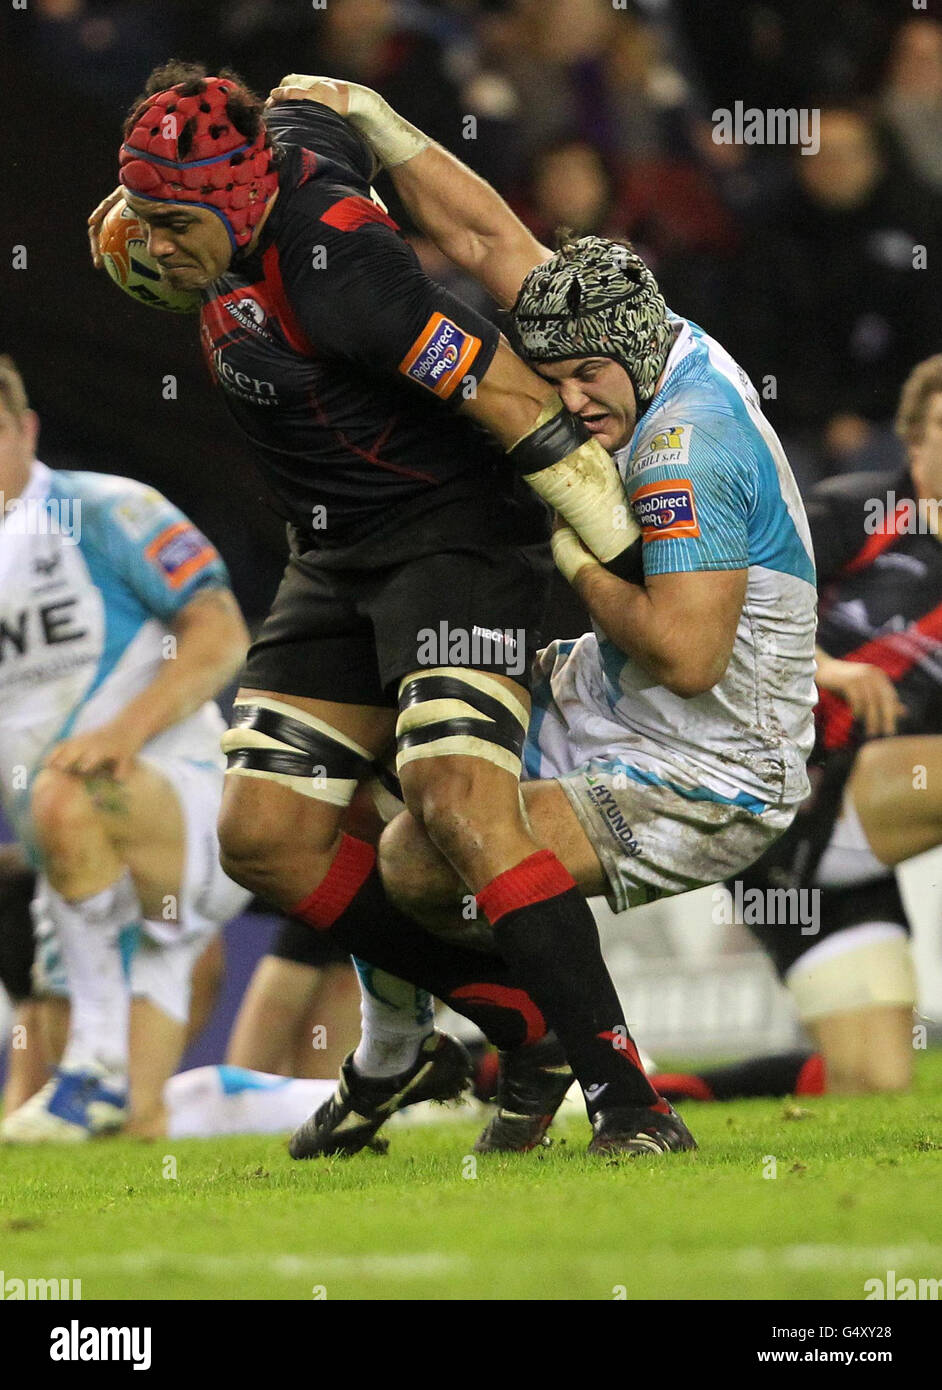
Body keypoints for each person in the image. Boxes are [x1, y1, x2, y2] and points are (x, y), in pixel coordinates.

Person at [87, 62, 670, 1157]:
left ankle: (630, 1098)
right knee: (260, 835)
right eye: (141, 215)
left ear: (237, 198)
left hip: (452, 539)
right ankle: (514, 1016)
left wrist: (634, 560)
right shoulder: (270, 147)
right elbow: (323, 95)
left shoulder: (346, 272)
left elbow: (513, 402)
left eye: (173, 223)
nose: (154, 245)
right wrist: (143, 213)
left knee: (455, 796)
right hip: (334, 553)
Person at [262, 75, 818, 1158]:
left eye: (580, 380)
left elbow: (693, 655)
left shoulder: (681, 451)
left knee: (429, 856)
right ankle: (419, 1046)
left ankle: (603, 1083)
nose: (567, 404)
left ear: (627, 355)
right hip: (623, 691)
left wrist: (568, 538)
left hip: (709, 762)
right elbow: (486, 236)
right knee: (398, 753)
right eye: (552, 378)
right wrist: (380, 123)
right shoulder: (639, 334)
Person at [656, 353, 942, 1104]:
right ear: (912, 441)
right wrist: (832, 670)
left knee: (873, 1081)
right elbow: (728, 607)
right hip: (780, 780)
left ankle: (667, 1091)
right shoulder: (859, 512)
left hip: (855, 841)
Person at [0, 354, 251, 1141]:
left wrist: (121, 734)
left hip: (179, 795)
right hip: (68, 860)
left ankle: (96, 1066)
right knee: (132, 1131)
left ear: (26, 429)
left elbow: (221, 632)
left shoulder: (107, 510)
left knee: (63, 792)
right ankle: (349, 1104)